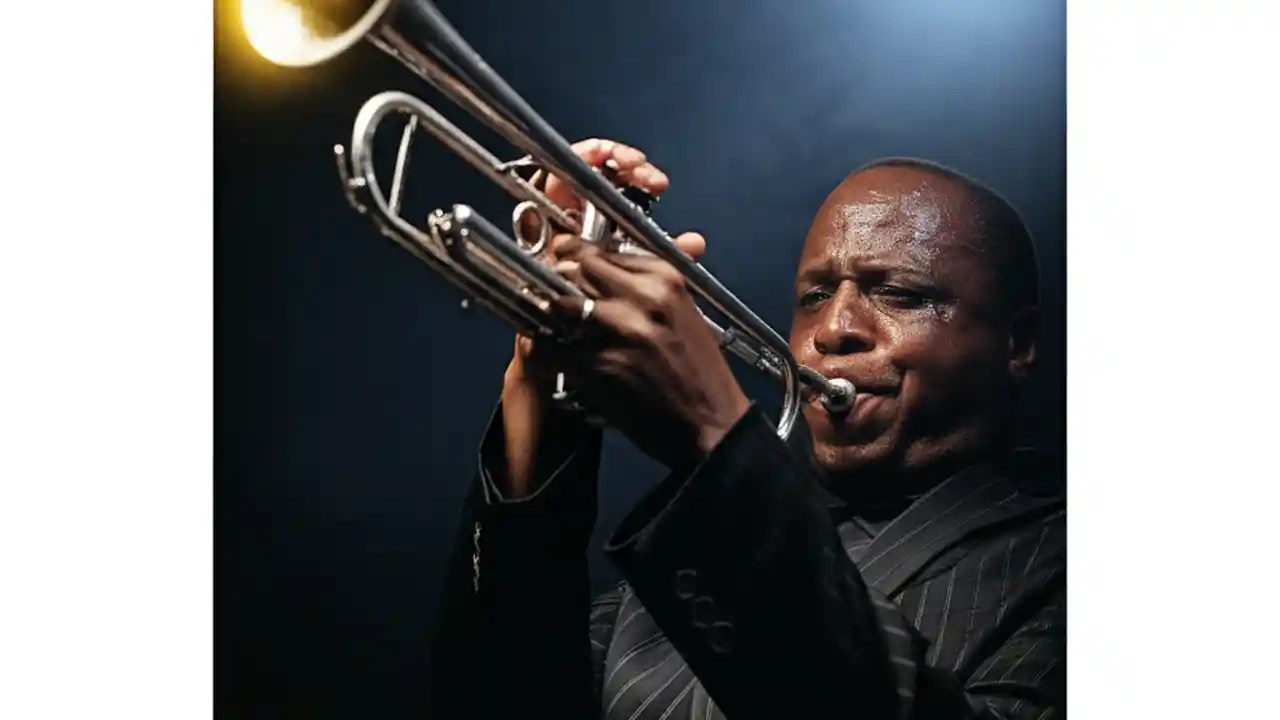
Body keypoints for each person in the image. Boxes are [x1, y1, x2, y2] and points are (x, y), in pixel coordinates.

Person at [428, 139, 1065, 719]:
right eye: (814, 296)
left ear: (1017, 343)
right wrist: (540, 382)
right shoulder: (673, 568)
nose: (833, 328)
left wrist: (713, 438)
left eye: (897, 293)